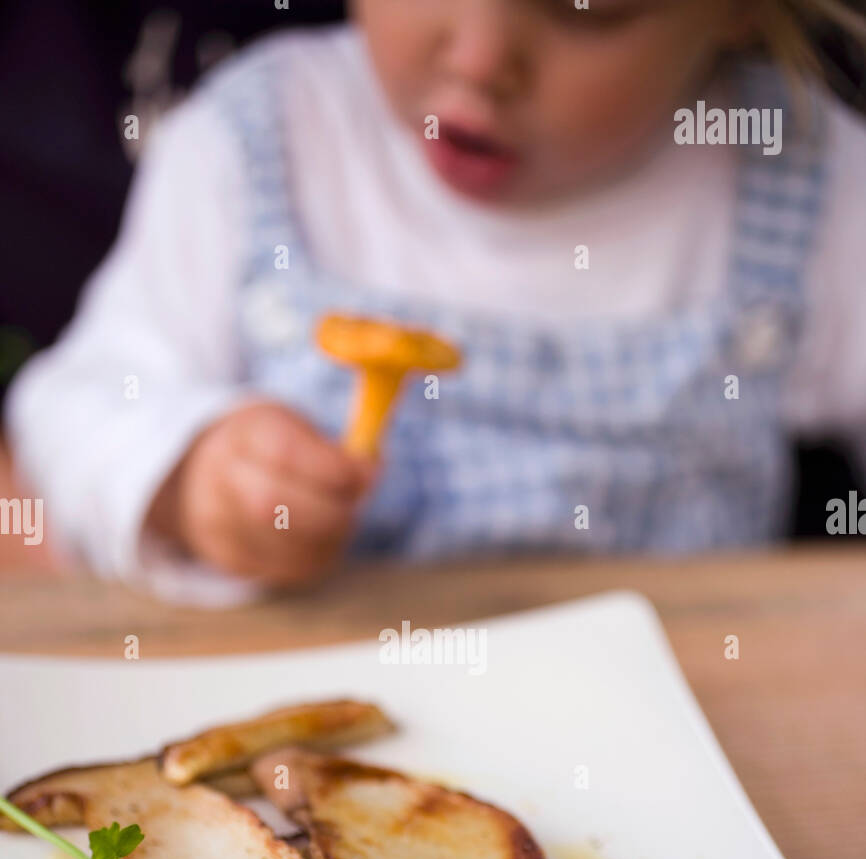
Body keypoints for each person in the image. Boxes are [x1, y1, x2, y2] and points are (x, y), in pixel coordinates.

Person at [6, 0, 866, 606]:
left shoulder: (807, 177)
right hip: (311, 726)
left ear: (741, 10)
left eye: (588, 9)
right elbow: (74, 403)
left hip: (697, 732)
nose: (481, 57)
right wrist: (189, 476)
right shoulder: (259, 139)